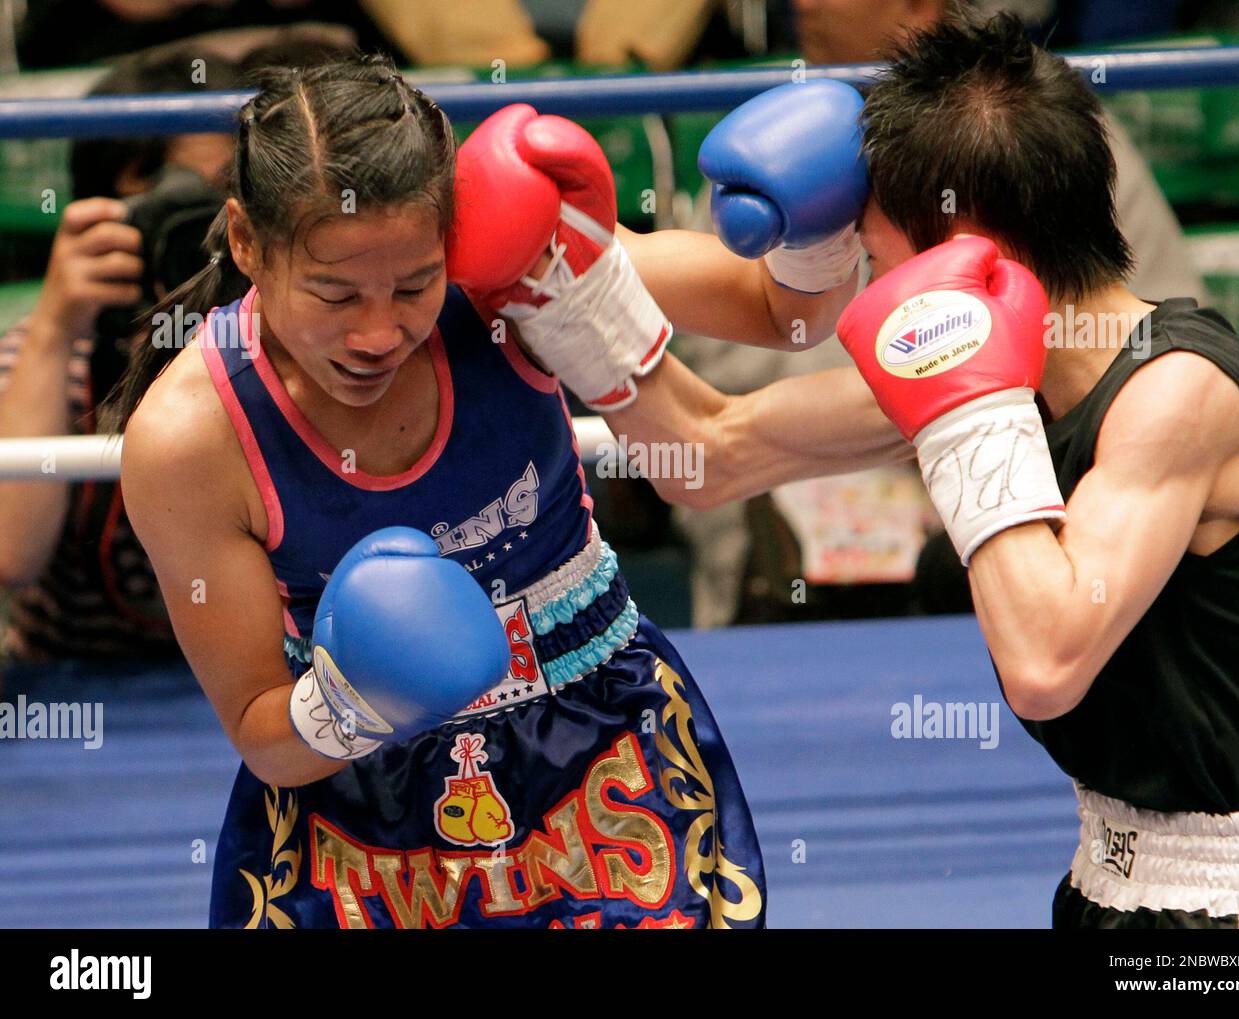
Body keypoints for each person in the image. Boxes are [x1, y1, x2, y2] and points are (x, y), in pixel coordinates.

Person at [114, 55, 865, 928]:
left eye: (413, 284)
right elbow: (261, 733)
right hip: (361, 817)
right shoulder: (191, 439)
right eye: (334, 292)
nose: (378, 330)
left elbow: (783, 316)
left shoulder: (510, 268)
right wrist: (356, 699)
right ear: (246, 241)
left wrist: (816, 236)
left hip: (603, 751)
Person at [618, 12, 1239, 928]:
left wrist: (969, 409)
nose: (868, 280)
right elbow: (709, 450)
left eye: (878, 255)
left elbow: (1048, 658)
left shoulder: (1178, 394)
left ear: (963, 247)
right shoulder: (1014, 368)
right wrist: (570, 293)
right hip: (1109, 882)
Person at [0, 45, 237, 662]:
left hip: (256, 680)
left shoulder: (295, 344)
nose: (197, 224)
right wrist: (55, 329)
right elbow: (8, 556)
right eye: (173, 192)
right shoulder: (43, 349)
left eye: (225, 192)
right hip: (70, 672)